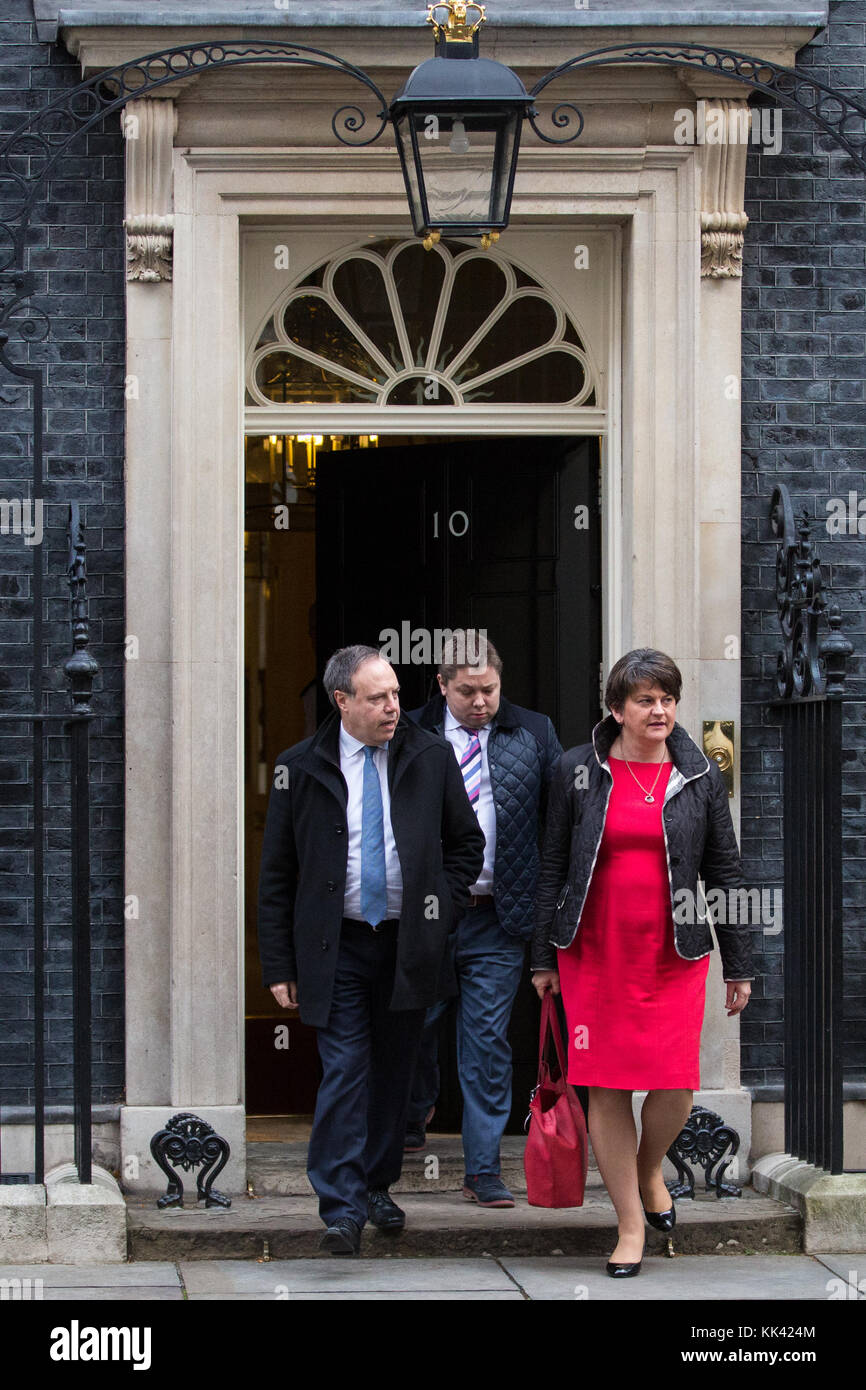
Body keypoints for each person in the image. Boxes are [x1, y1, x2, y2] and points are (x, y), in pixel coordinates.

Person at [531, 648, 752, 1277]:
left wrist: (739, 964)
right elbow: (552, 869)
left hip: (674, 950)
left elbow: (725, 871)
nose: (659, 710)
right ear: (617, 709)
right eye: (645, 700)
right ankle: (630, 1223)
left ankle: (649, 1168)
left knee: (676, 1083)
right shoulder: (579, 769)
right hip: (595, 953)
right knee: (605, 1085)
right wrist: (542, 954)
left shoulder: (700, 775)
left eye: (667, 699)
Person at [257, 645, 485, 1255]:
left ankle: (377, 1184)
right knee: (344, 1070)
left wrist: (442, 909)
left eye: (395, 694)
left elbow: (467, 843)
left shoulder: (429, 755)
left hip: (409, 943)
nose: (394, 707)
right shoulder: (299, 767)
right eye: (378, 697)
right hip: (339, 946)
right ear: (342, 702)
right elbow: (277, 872)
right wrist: (278, 963)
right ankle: (340, 1207)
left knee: (395, 1074)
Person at [405, 630, 563, 1207]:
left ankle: (483, 1170)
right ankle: (410, 1111)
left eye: (489, 690)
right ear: (442, 685)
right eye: (467, 691)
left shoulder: (534, 732)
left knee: (486, 1042)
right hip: (423, 915)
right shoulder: (410, 731)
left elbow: (557, 821)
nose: (480, 702)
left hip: (499, 915)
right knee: (414, 1025)